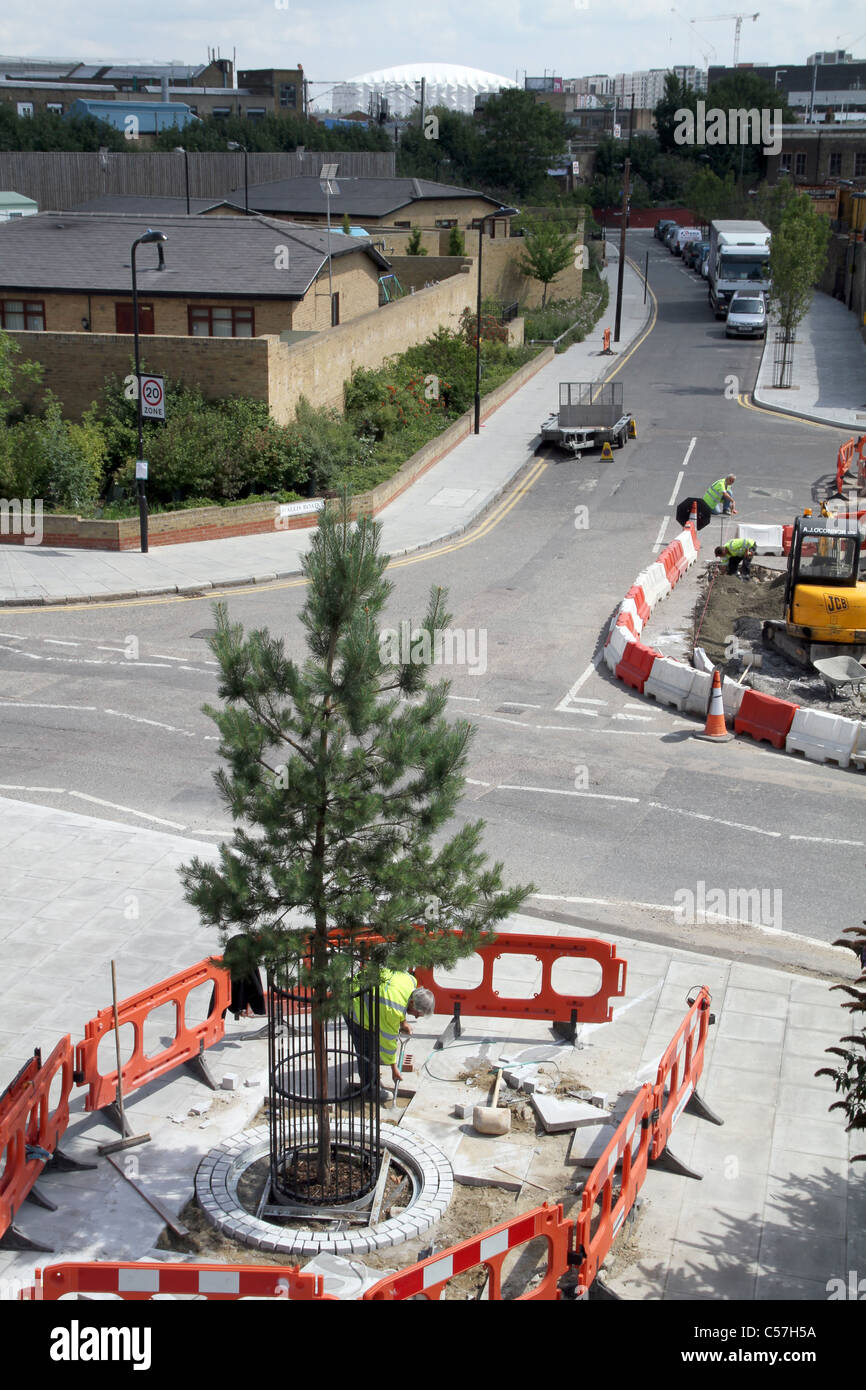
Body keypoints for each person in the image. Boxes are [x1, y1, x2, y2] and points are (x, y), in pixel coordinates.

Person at [347, 969, 435, 1103]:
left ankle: (373, 1076)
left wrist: (403, 1022)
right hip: (352, 1002)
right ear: (412, 1002)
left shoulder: (411, 981)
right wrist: (394, 1070)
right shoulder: (393, 1009)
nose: (417, 1016)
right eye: (418, 1013)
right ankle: (371, 1090)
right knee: (366, 1051)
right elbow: (388, 1043)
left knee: (374, 1044)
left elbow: (401, 1002)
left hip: (365, 993)